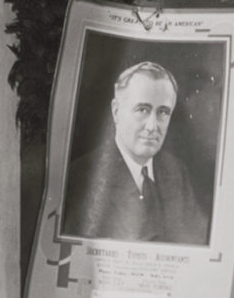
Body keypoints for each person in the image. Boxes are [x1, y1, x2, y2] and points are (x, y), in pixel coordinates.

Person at [59, 60, 212, 244]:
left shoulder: (176, 172)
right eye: (142, 110)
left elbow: (196, 243)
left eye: (163, 112)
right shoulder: (81, 179)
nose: (152, 127)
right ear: (116, 111)